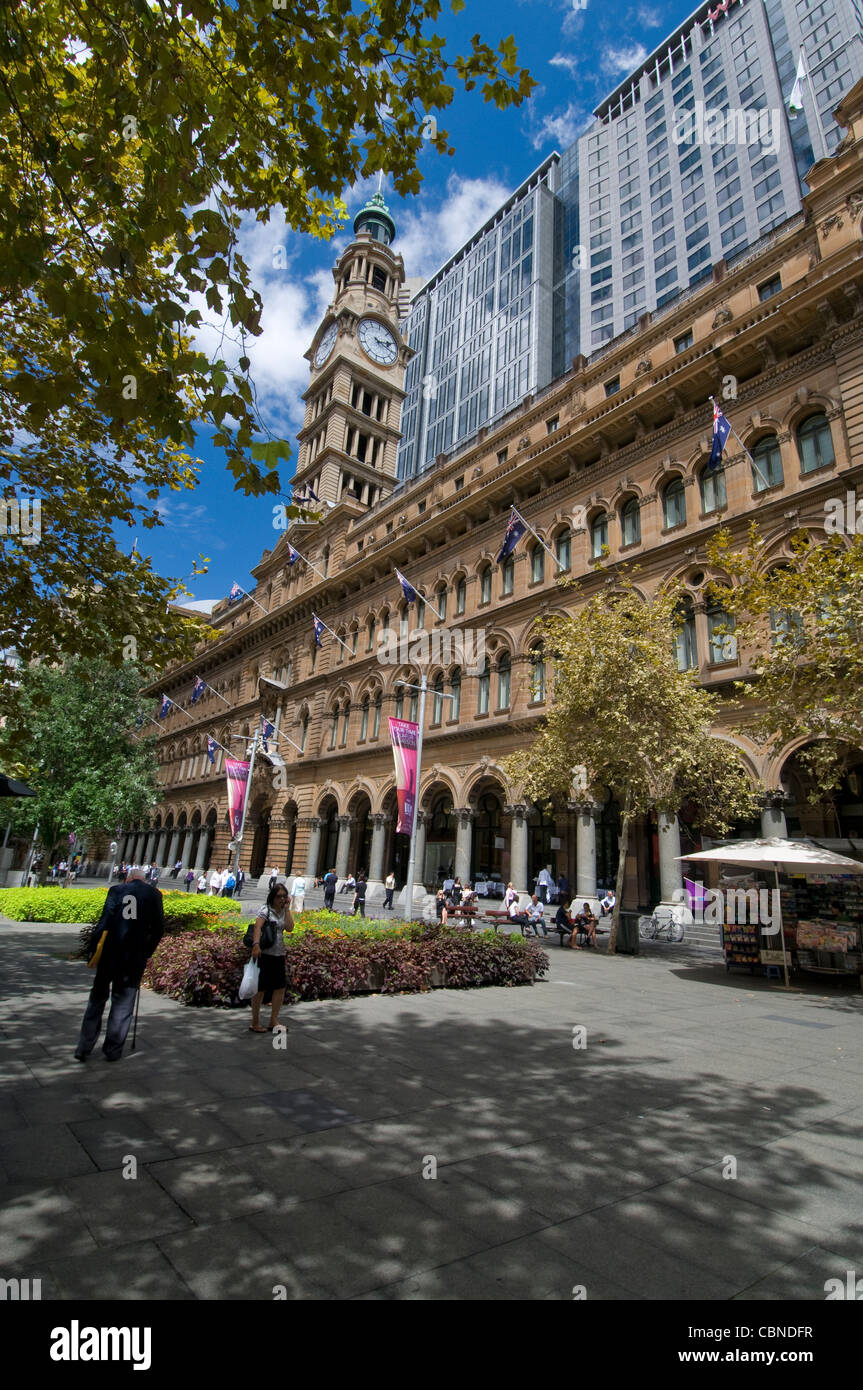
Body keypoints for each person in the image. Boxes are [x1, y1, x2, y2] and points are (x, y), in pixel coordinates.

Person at [75, 867, 165, 1062]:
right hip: (134, 956)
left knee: (97, 998)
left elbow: (103, 923)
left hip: (110, 953)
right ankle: (113, 1049)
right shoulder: (154, 894)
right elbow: (158, 928)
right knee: (123, 1002)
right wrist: (147, 951)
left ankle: (84, 1046)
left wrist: (93, 950)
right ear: (144, 879)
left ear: (129, 878)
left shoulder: (116, 891)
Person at [248, 883, 294, 1034]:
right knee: (260, 989)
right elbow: (257, 927)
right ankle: (255, 1022)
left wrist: (287, 909)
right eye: (279, 896)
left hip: (279, 954)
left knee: (280, 988)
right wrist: (255, 945)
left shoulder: (283, 912)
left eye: (284, 896)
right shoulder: (265, 910)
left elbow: (289, 927)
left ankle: (273, 1020)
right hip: (264, 953)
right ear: (272, 897)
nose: (282, 899)